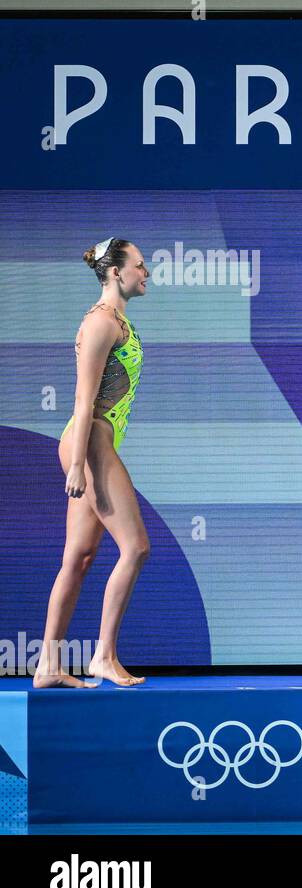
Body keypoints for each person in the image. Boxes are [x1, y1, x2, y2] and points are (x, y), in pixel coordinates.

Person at [34, 239, 150, 688]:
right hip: (91, 441)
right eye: (140, 266)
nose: (147, 272)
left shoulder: (117, 320)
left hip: (97, 441)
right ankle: (103, 656)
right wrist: (78, 464)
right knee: (136, 547)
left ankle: (47, 665)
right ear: (116, 272)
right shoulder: (101, 322)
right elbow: (83, 402)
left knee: (79, 557)